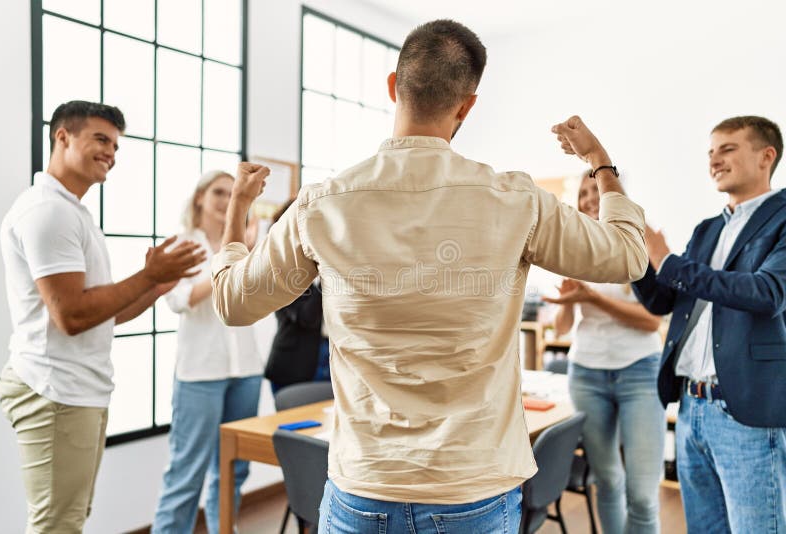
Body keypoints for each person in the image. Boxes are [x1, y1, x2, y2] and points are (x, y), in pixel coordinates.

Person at [212, 19, 648, 533]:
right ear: (467, 105)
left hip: (363, 486)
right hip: (472, 487)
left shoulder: (322, 204)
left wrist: (236, 214)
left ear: (394, 85)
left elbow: (233, 303)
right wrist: (600, 162)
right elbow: (627, 255)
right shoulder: (516, 200)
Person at [0, 100, 204, 533]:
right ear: (62, 136)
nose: (111, 152)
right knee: (58, 524)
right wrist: (148, 273)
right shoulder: (47, 210)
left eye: (115, 145)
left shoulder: (72, 211)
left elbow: (102, 314)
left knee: (70, 517)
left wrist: (155, 286)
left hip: (76, 390)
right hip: (55, 390)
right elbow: (70, 316)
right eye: (100, 139)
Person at [633, 115, 786, 533]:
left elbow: (766, 293)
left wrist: (667, 260)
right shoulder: (706, 230)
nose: (714, 160)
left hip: (745, 414)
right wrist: (639, 260)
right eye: (710, 152)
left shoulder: (783, 218)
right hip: (691, 410)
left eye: (728, 149)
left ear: (766, 156)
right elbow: (664, 300)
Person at [544, 171, 665, 534]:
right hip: (586, 373)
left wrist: (591, 297)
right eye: (582, 193)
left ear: (616, 195)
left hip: (640, 372)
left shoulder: (641, 239)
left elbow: (651, 320)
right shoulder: (574, 244)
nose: (588, 199)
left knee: (642, 494)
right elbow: (562, 327)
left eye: (595, 190)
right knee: (607, 481)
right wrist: (569, 300)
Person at [151, 170, 264, 533]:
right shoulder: (182, 246)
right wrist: (228, 261)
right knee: (187, 473)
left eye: (233, 194)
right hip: (200, 373)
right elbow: (179, 300)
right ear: (199, 196)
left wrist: (247, 254)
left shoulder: (244, 247)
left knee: (233, 471)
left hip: (245, 370)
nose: (226, 199)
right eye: (218, 191)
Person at [265, 200, 330, 394]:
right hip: (295, 366)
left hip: (330, 357)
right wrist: (325, 269)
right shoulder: (281, 268)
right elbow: (307, 317)